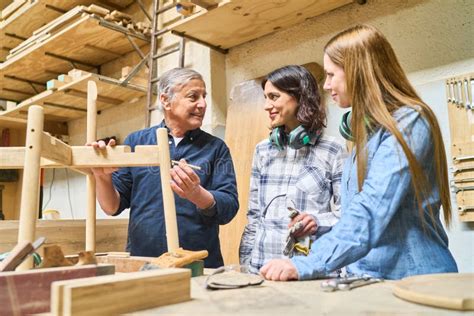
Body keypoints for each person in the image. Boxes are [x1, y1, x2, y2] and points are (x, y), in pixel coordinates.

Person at [260, 25, 458, 281]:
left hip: (414, 278)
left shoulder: (409, 122)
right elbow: (353, 213)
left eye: (331, 75)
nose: (327, 85)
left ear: (357, 71)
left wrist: (310, 263)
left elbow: (372, 209)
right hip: (372, 278)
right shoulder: (365, 135)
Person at [90, 68, 239, 268]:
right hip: (144, 262)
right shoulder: (136, 141)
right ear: (166, 101)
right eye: (193, 97)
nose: (203, 104)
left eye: (204, 97)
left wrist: (197, 194)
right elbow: (112, 206)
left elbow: (229, 207)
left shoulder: (216, 148)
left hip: (199, 264)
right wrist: (102, 177)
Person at [239, 65, 346, 273]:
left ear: (299, 97)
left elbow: (348, 215)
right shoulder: (262, 151)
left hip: (307, 270)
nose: (266, 106)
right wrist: (246, 265)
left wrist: (316, 220)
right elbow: (254, 216)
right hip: (261, 267)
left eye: (274, 97)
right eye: (265, 98)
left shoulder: (333, 150)